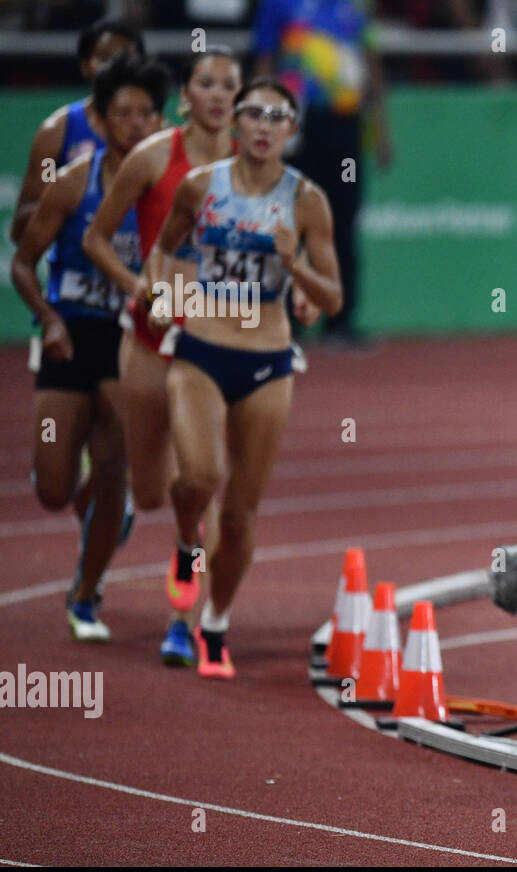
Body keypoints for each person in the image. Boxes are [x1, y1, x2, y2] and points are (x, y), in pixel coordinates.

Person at [149, 77, 342, 678]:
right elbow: (165, 248)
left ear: (292, 129)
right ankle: (186, 543)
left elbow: (332, 298)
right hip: (202, 349)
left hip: (267, 362)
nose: (263, 126)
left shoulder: (307, 200)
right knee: (196, 479)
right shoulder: (199, 186)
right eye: (253, 114)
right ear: (234, 124)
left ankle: (212, 623)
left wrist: (294, 268)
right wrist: (163, 290)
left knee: (238, 514)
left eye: (276, 116)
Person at [84, 48, 243, 667]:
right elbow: (97, 237)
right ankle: (162, 516)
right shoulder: (154, 158)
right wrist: (138, 289)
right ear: (185, 96)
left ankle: (183, 615)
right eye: (207, 83)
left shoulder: (254, 169)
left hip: (215, 345)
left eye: (231, 85)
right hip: (149, 343)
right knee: (152, 489)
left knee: (198, 483)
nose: (220, 94)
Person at [9, 52, 167, 640]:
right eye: (122, 113)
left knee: (112, 467)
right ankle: (94, 505)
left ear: (160, 120)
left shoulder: (171, 193)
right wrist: (47, 317)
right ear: (99, 121)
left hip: (129, 344)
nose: (135, 124)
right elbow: (23, 263)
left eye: (146, 113)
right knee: (54, 487)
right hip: (71, 339)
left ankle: (86, 593)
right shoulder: (74, 182)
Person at [252, 0, 393, 345]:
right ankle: (287, 320)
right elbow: (265, 63)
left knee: (342, 219)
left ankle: (340, 321)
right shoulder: (278, 5)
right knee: (290, 221)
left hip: (345, 129)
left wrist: (383, 130)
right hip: (298, 130)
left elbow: (371, 64)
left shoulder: (356, 7)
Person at [9, 18, 145, 244]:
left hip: (141, 276)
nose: (115, 67)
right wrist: (72, 204)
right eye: (104, 58)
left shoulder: (159, 135)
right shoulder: (56, 133)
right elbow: (22, 228)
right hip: (76, 267)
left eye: (125, 57)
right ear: (84, 66)